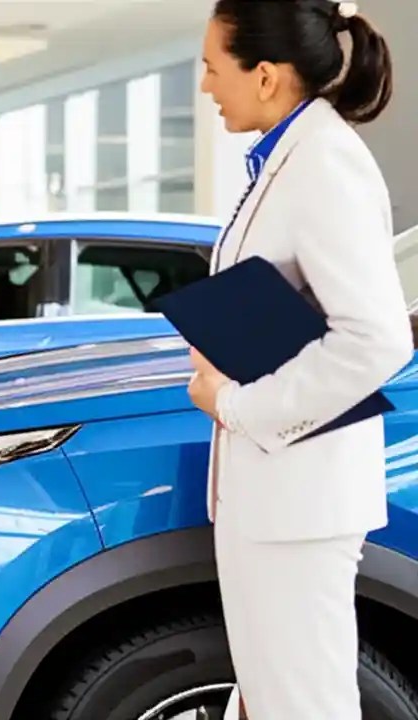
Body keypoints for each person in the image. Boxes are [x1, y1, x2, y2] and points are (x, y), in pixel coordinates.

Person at [192, 2, 411, 718]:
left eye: (211, 68)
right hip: (271, 498)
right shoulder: (286, 160)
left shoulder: (324, 163)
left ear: (264, 77)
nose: (204, 87)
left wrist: (236, 404)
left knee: (303, 705)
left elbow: (376, 338)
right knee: (272, 699)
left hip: (299, 504)